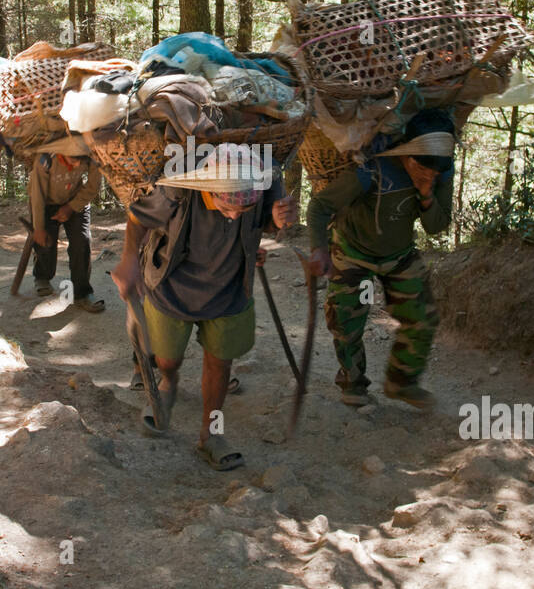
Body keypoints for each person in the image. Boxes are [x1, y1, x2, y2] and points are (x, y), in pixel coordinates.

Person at [111, 143, 296, 470]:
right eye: (227, 206)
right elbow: (138, 217)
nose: (236, 214)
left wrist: (276, 219)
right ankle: (168, 382)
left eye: (244, 208)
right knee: (168, 358)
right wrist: (129, 261)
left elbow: (265, 220)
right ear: (209, 188)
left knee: (220, 362)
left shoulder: (257, 181)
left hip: (230, 289)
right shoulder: (178, 188)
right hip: (173, 287)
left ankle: (212, 434)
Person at [305, 109, 455, 410]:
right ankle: (353, 383)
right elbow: (319, 206)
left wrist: (427, 194)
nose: (429, 177)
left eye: (435, 175)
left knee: (422, 317)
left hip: (398, 257)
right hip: (353, 255)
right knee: (346, 322)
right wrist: (319, 249)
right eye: (423, 171)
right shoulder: (371, 172)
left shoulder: (438, 171)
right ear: (409, 157)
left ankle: (402, 382)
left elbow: (436, 226)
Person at [29, 151, 105, 312]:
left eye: (80, 160)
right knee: (45, 241)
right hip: (46, 202)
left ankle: (82, 293)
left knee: (82, 241)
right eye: (72, 159)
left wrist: (71, 207)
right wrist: (39, 227)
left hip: (76, 200)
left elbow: (93, 186)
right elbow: (37, 196)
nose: (77, 165)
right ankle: (42, 276)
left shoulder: (92, 155)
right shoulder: (45, 159)